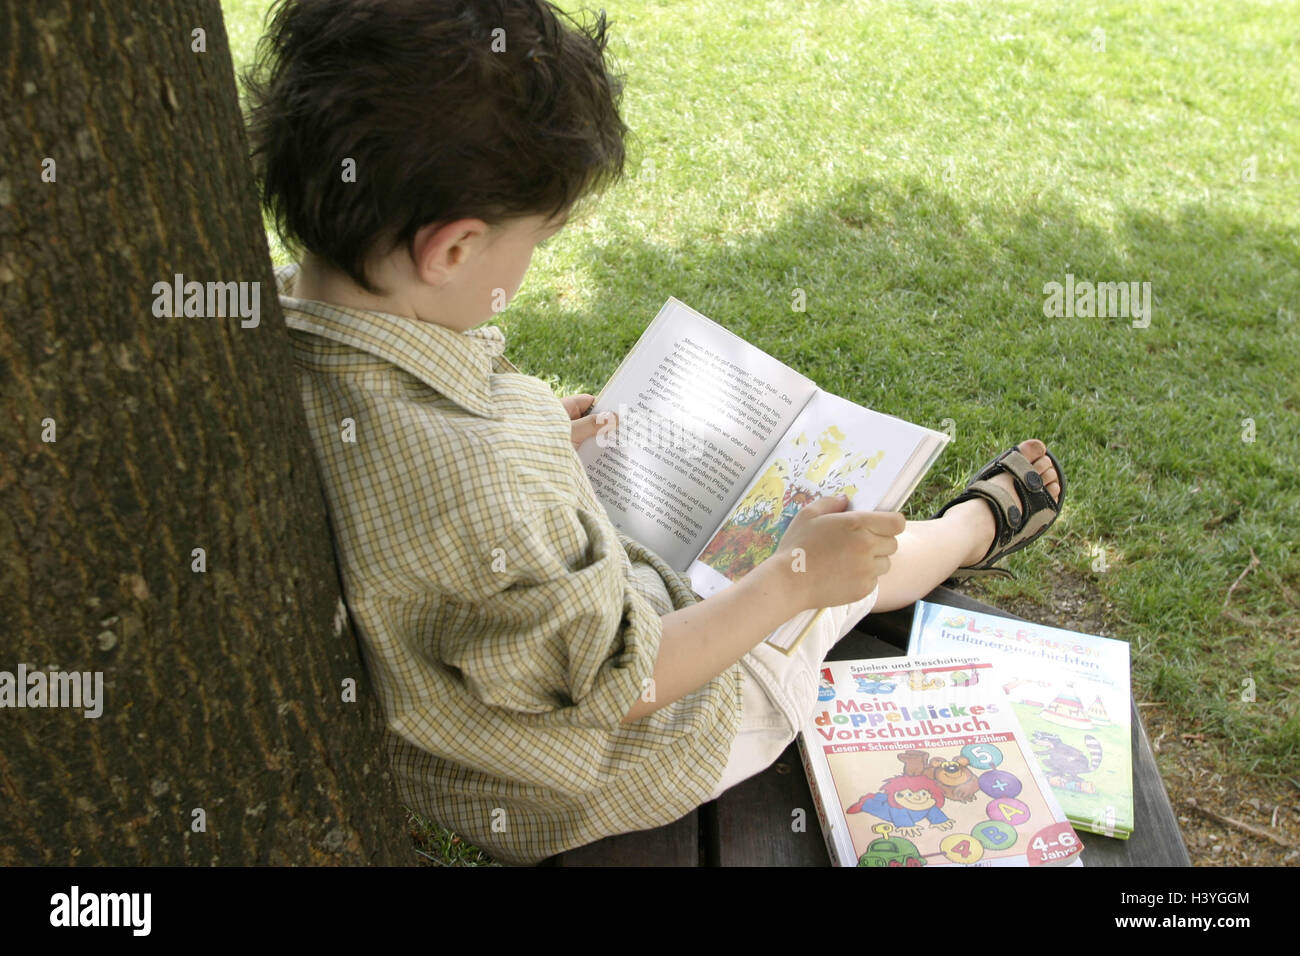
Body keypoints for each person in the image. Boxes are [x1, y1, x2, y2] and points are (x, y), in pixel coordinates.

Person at [244, 0, 1064, 864]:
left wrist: (533, 458)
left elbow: (419, 510)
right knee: (846, 574)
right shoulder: (481, 488)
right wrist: (792, 578)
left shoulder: (277, 325)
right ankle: (967, 531)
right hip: (643, 747)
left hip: (485, 709)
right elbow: (627, 686)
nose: (531, 261)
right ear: (452, 251)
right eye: (540, 239)